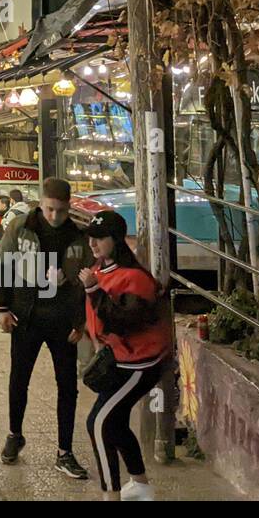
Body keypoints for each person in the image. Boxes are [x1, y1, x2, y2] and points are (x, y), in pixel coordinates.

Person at [0, 177, 93, 480]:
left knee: (68, 386)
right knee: (19, 378)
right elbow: (3, 266)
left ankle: (65, 451)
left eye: (61, 211)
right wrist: (3, 308)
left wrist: (81, 322)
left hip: (62, 321)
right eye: (50, 209)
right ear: (41, 203)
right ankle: (14, 434)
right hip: (26, 315)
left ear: (68, 207)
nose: (55, 216)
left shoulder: (77, 236)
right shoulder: (21, 227)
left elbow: (84, 284)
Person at [81, 210, 172, 501]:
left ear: (116, 240)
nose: (93, 244)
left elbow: (124, 321)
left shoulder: (134, 278)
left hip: (139, 364)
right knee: (115, 422)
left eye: (100, 238)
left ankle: (112, 496)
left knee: (99, 423)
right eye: (91, 238)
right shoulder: (100, 270)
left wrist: (93, 291)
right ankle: (142, 485)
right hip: (121, 360)